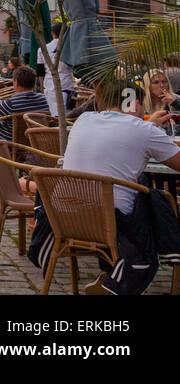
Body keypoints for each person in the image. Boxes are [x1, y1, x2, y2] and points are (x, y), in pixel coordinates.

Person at [62, 74, 180, 294]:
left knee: (143, 192)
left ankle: (109, 274)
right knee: (152, 200)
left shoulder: (84, 120)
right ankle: (121, 279)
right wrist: (148, 127)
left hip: (65, 217)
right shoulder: (144, 130)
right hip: (108, 221)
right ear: (134, 103)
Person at [38, 21, 74, 115]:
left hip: (49, 85)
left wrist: (42, 88)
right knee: (67, 116)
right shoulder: (71, 48)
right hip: (67, 85)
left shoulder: (42, 49)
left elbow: (40, 72)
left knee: (52, 115)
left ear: (52, 33)